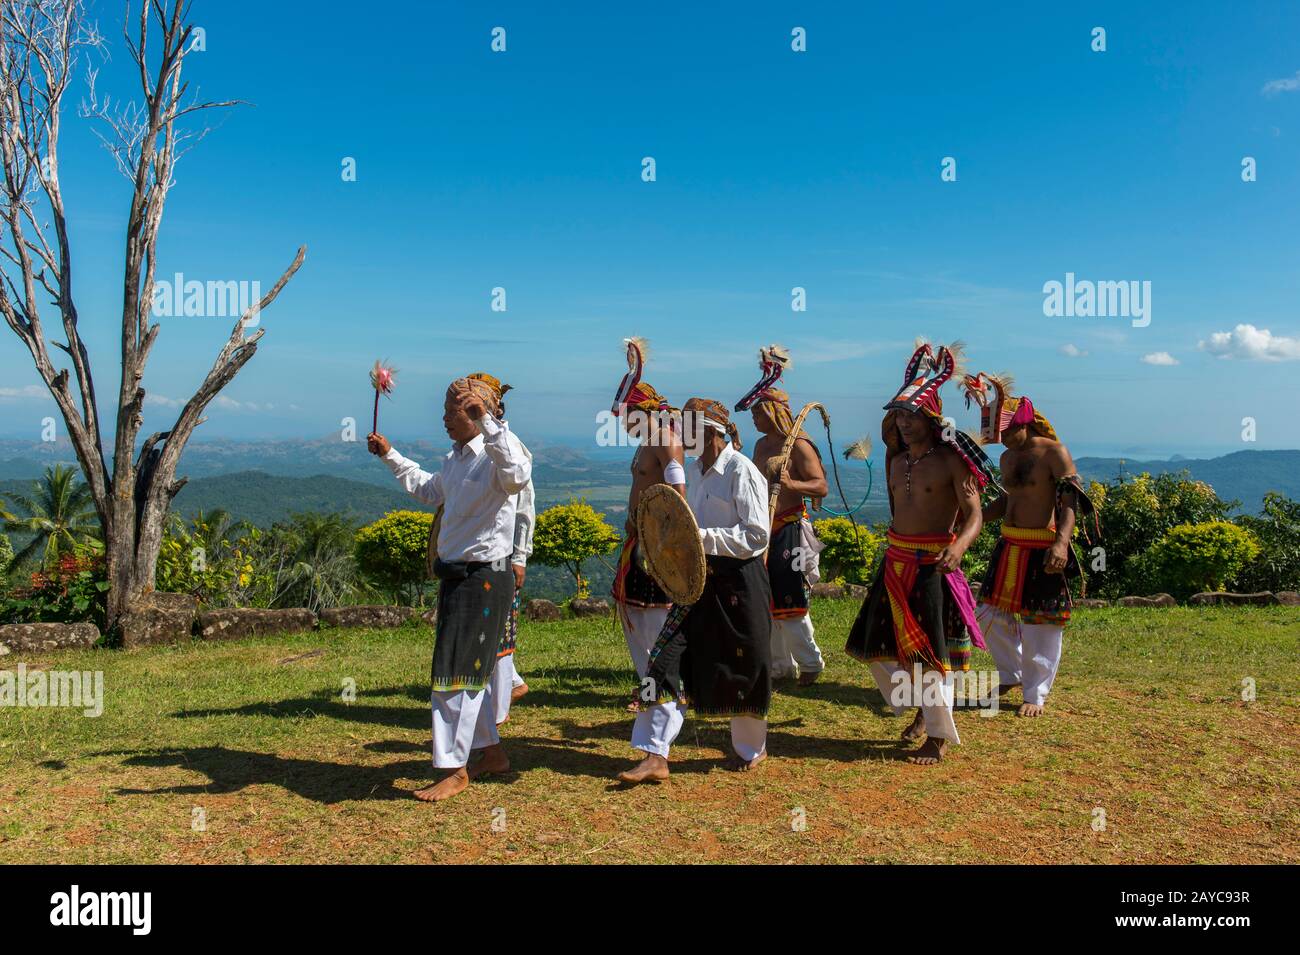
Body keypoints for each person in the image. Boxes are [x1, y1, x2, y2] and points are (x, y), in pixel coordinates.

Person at [367, 373, 532, 801]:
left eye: (452, 411)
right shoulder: (456, 459)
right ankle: (491, 753)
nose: (443, 419)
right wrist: (390, 456)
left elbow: (516, 475)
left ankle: (454, 768)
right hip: (457, 577)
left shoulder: (501, 453)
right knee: (462, 669)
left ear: (478, 412)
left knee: (456, 675)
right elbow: (429, 489)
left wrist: (489, 421)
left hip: (484, 578)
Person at [845, 343, 998, 765]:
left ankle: (937, 736)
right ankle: (920, 707)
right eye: (899, 416)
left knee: (933, 656)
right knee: (879, 647)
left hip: (933, 566)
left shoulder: (952, 461)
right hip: (895, 563)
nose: (905, 424)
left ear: (931, 418)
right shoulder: (896, 462)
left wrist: (959, 546)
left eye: (912, 416)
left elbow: (974, 515)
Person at [617, 398, 772, 784]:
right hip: (695, 580)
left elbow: (757, 536)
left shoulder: (742, 471)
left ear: (710, 432)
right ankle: (655, 754)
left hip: (740, 579)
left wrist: (697, 539)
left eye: (688, 428)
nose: (680, 436)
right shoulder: (698, 473)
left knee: (744, 664)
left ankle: (751, 749)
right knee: (662, 660)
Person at [960, 372, 1097, 717]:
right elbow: (1007, 502)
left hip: (1044, 546)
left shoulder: (1055, 453)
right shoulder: (1007, 459)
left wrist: (1062, 543)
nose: (1003, 439)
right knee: (987, 614)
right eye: (999, 434)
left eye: (1007, 432)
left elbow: (1069, 502)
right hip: (1009, 545)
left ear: (1023, 423)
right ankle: (1012, 673)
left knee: (1041, 624)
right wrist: (968, 520)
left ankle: (1035, 693)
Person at [736, 345, 828, 686]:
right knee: (765, 599)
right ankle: (779, 666)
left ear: (772, 413)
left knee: (790, 600)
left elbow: (820, 487)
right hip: (763, 530)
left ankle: (810, 663)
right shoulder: (761, 447)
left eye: (758, 414)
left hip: (790, 527)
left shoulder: (799, 445)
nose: (754, 420)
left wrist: (791, 482)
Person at [608, 339, 687, 722]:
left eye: (626, 415)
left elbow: (678, 494)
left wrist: (663, 540)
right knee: (635, 617)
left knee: (656, 621)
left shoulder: (667, 441)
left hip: (656, 546)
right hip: (638, 541)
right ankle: (649, 687)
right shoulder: (645, 444)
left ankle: (666, 693)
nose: (622, 423)